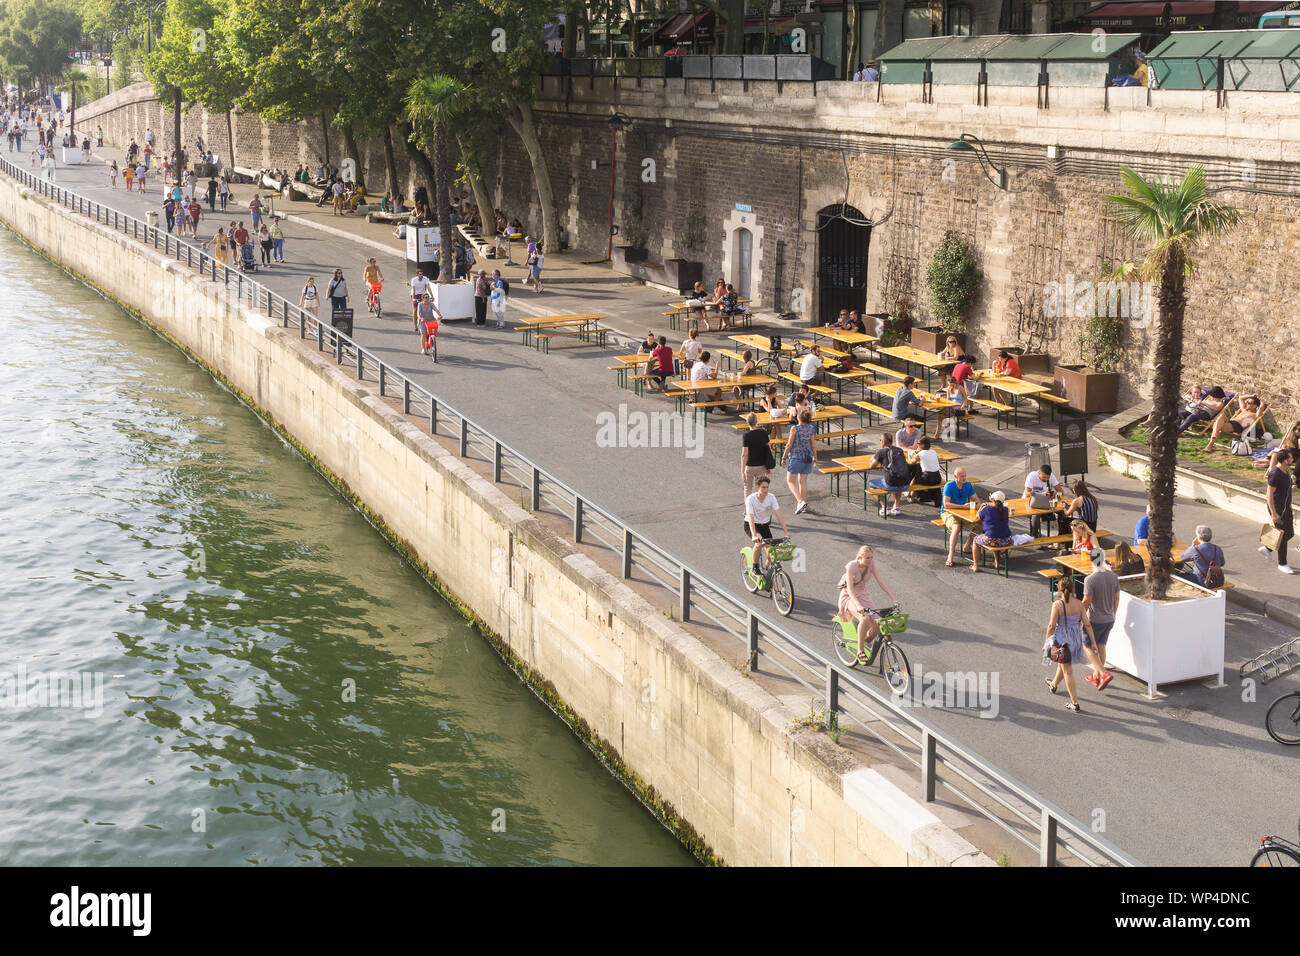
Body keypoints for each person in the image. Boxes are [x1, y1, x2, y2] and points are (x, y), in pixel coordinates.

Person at [1043, 575, 1103, 713]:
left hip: (1063, 641)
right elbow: (1087, 624)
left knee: (1067, 670)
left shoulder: (1057, 605)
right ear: (1072, 589)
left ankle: (1075, 703)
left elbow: (1052, 625)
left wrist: (1047, 642)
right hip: (1076, 640)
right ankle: (1053, 685)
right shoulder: (1079, 604)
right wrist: (1093, 643)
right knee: (1064, 663)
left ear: (1059, 589)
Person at [838, 545, 898, 661]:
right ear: (860, 558)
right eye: (867, 558)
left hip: (863, 595)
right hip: (849, 597)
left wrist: (894, 599)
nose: (870, 560)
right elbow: (850, 589)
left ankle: (864, 641)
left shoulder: (872, 565)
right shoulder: (851, 566)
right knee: (864, 618)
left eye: (871, 557)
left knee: (877, 626)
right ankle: (860, 650)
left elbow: (881, 582)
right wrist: (858, 605)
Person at [1081, 547, 1120, 689]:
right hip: (1109, 618)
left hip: (1095, 619)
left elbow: (1086, 601)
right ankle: (1097, 676)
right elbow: (1116, 598)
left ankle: (1103, 673)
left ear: (1092, 560)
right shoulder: (1113, 576)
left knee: (1087, 646)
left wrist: (1080, 617)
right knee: (1101, 645)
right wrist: (1114, 614)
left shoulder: (1090, 580)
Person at [745, 476, 791, 576]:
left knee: (771, 554)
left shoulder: (771, 497)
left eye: (767, 487)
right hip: (752, 525)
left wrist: (786, 532)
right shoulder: (750, 499)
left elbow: (779, 515)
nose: (766, 490)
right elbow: (751, 518)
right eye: (763, 487)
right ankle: (755, 567)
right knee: (759, 544)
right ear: (757, 487)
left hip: (764, 525)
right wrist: (754, 535)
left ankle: (766, 573)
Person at [1261, 448, 1297, 574]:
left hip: (1286, 507)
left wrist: (1290, 504)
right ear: (1285, 460)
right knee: (1282, 535)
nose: (1293, 459)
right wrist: (1274, 513)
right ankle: (1282, 564)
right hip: (1277, 508)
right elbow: (1269, 495)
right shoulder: (1275, 473)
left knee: (1290, 533)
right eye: (1291, 458)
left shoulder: (1285, 470)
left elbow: (1284, 491)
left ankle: (1267, 548)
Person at [940, 467, 979, 567]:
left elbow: (977, 500)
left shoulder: (967, 484)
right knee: (957, 527)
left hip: (963, 512)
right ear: (955, 477)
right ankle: (950, 556)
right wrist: (962, 506)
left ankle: (967, 546)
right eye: (962, 476)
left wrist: (978, 505)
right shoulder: (949, 486)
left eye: (965, 476)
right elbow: (946, 504)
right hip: (948, 513)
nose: (964, 478)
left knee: (979, 526)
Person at [867, 432, 911, 516]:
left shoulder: (881, 452)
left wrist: (873, 459)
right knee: (897, 479)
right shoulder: (899, 450)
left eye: (880, 440)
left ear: (883, 441)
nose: (880, 441)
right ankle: (897, 506)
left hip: (891, 484)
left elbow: (871, 466)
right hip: (905, 483)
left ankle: (885, 507)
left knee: (871, 484)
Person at [970, 491, 1014, 573]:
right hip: (1007, 540)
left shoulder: (987, 509)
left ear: (992, 499)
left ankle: (975, 565)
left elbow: (977, 516)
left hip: (992, 540)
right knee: (996, 535)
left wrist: (981, 507)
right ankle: (996, 562)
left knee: (976, 540)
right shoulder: (1005, 510)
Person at [785, 408, 818, 514]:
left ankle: (800, 501)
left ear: (799, 417)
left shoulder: (794, 429)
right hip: (808, 457)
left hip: (796, 457)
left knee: (790, 481)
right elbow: (813, 445)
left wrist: (783, 457)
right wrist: (815, 457)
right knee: (802, 481)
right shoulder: (811, 429)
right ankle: (803, 505)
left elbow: (789, 445)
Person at [1024, 463, 1063, 538]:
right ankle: (1035, 537)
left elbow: (1061, 492)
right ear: (1038, 473)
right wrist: (1041, 494)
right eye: (1044, 477)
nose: (1046, 479)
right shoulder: (1032, 476)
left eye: (1047, 478)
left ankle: (1061, 534)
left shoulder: (1051, 477)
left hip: (1045, 503)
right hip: (1031, 502)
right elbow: (1027, 493)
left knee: (1062, 511)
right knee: (1036, 514)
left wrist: (1055, 495)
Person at [740, 412, 773, 495]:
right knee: (761, 487)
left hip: (750, 466)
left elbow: (744, 455)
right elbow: (768, 450)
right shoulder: (764, 433)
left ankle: (749, 507)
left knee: (748, 489)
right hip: (761, 465)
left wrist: (742, 471)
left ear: (747, 422)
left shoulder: (746, 436)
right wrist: (768, 465)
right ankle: (760, 506)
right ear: (756, 421)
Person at [912, 436, 943, 507]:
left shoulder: (921, 454)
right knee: (934, 483)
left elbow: (912, 462)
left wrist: (914, 454)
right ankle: (937, 500)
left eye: (918, 443)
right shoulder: (933, 452)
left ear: (923, 445)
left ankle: (913, 496)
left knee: (916, 476)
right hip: (938, 478)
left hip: (927, 479)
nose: (917, 445)